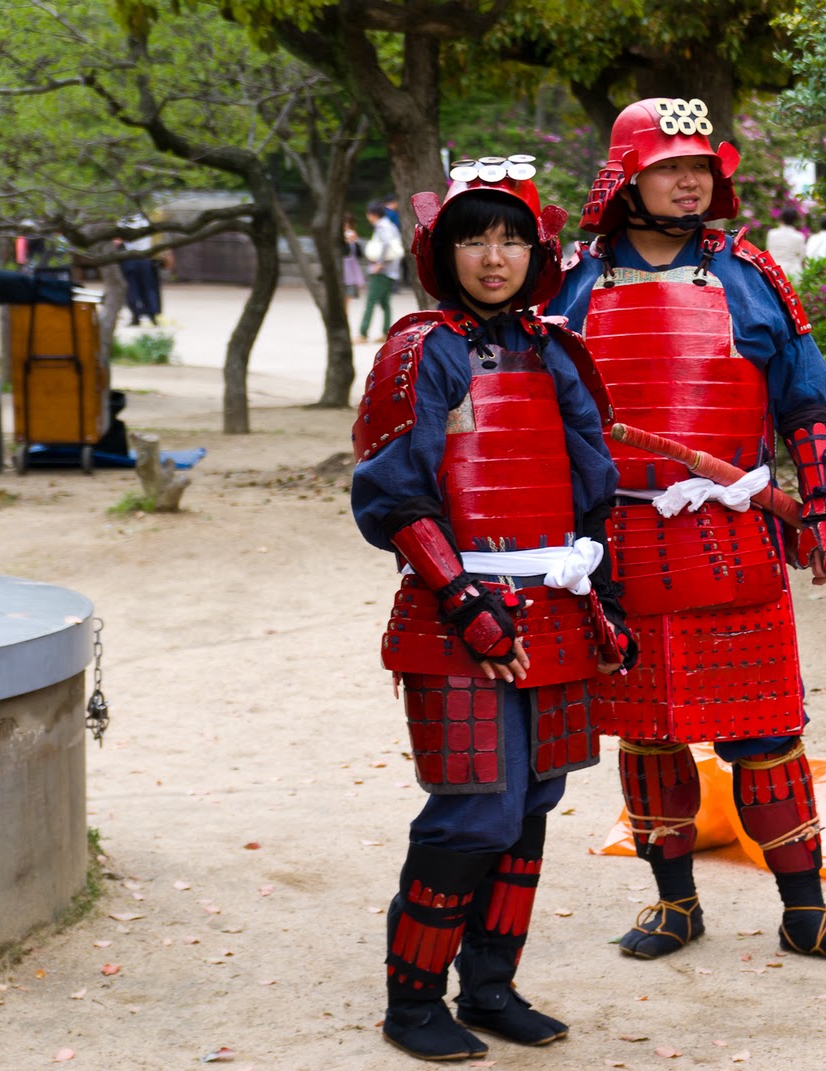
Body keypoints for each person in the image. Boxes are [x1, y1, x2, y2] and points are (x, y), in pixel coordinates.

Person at [549, 97, 826, 965]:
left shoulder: (750, 273)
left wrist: (824, 511)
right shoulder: (573, 283)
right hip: (621, 543)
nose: (690, 179)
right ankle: (674, 905)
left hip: (733, 535)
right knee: (650, 732)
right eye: (670, 166)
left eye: (699, 165)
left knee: (768, 734)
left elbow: (808, 405)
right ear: (627, 179)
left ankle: (805, 911)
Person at [350, 155, 636, 1061]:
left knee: (530, 805)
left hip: (552, 603)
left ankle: (492, 986)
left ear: (536, 250)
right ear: (445, 250)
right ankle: (411, 1000)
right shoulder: (418, 349)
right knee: (474, 809)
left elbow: (594, 482)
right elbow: (395, 496)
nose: (494, 254)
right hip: (454, 610)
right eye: (474, 235)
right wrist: (466, 602)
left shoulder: (554, 347)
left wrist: (606, 593)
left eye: (512, 236)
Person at [358, 199, 404, 342]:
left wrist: (379, 263)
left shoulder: (381, 227)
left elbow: (385, 244)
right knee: (385, 303)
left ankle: (363, 333)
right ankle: (386, 332)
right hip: (392, 270)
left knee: (371, 301)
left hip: (382, 270)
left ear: (372, 214)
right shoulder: (390, 225)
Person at [765, 205, 806, 280]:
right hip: (794, 272)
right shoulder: (799, 237)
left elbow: (769, 252)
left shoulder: (772, 234)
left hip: (775, 271)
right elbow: (801, 256)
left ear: (781, 218)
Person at [341, 213, 366, 312]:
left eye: (349, 223)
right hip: (342, 269)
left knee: (349, 294)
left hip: (352, 270)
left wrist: (356, 242)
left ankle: (344, 312)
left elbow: (359, 255)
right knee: (341, 293)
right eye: (345, 223)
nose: (347, 226)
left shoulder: (353, 235)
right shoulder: (337, 237)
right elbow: (343, 253)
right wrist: (346, 242)